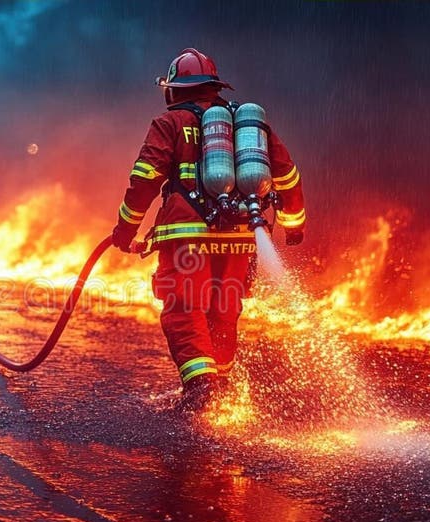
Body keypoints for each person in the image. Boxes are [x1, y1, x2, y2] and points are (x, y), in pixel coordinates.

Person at [111, 48, 305, 410]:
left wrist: (126, 228)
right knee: (224, 308)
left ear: (173, 89)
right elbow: (286, 172)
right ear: (215, 86)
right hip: (239, 237)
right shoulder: (245, 125)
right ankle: (222, 389)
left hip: (187, 238)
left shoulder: (169, 124)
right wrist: (294, 223)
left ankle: (201, 390)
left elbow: (145, 178)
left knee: (185, 309)